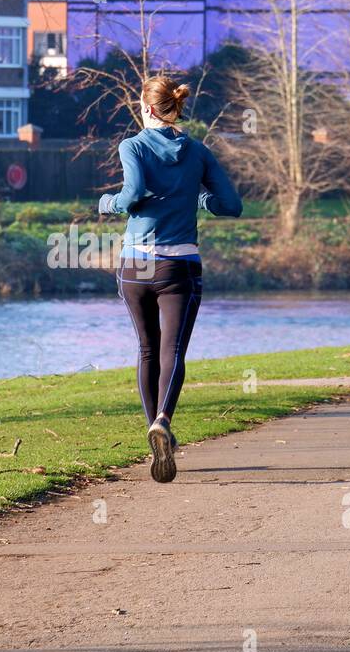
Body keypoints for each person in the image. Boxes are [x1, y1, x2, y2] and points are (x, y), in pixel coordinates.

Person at [98, 76, 242, 483]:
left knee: (146, 349)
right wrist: (199, 197)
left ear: (146, 109)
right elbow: (232, 205)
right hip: (180, 265)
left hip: (137, 265)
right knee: (172, 349)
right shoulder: (198, 152)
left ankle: (155, 429)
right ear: (173, 108)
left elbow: (132, 194)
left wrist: (108, 203)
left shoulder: (133, 145)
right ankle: (163, 418)